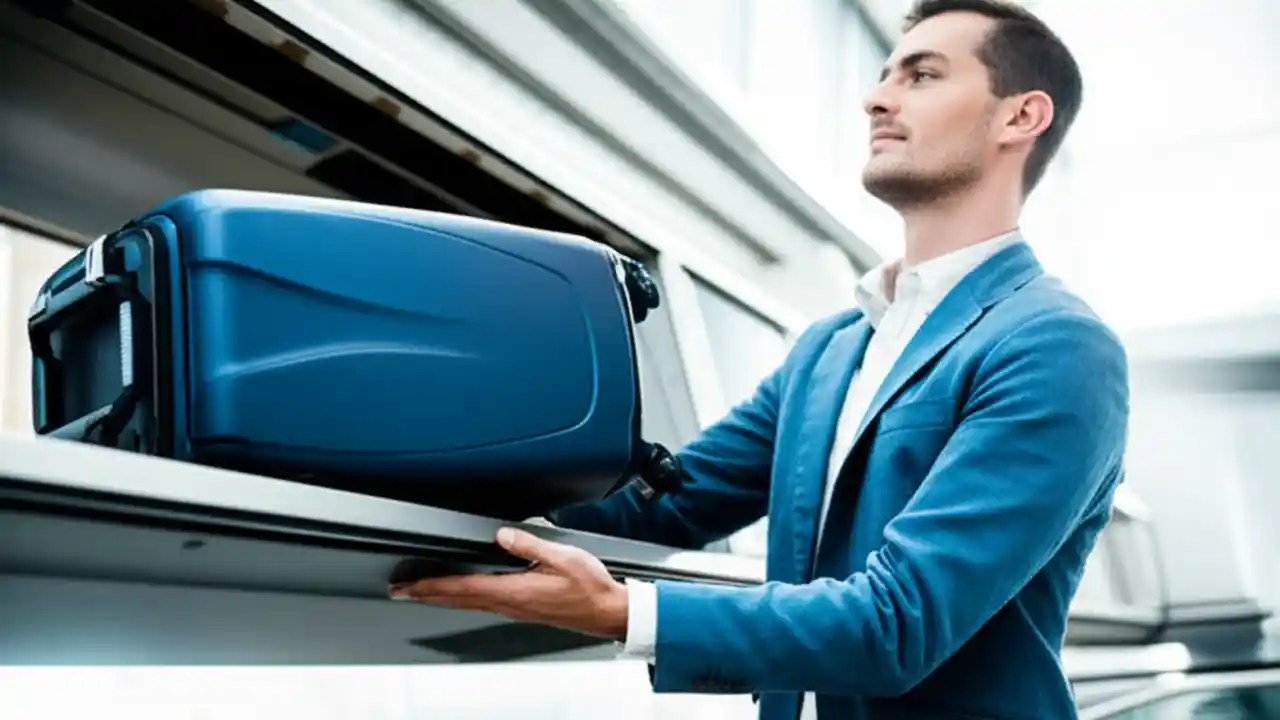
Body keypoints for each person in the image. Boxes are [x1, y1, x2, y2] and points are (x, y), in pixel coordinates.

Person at [388, 1, 1128, 718]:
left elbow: (899, 622)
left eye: (921, 76)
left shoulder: (1055, 345)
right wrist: (412, 476)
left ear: (1020, 116)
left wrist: (625, 611)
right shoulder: (833, 350)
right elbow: (671, 503)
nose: (876, 99)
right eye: (882, 76)